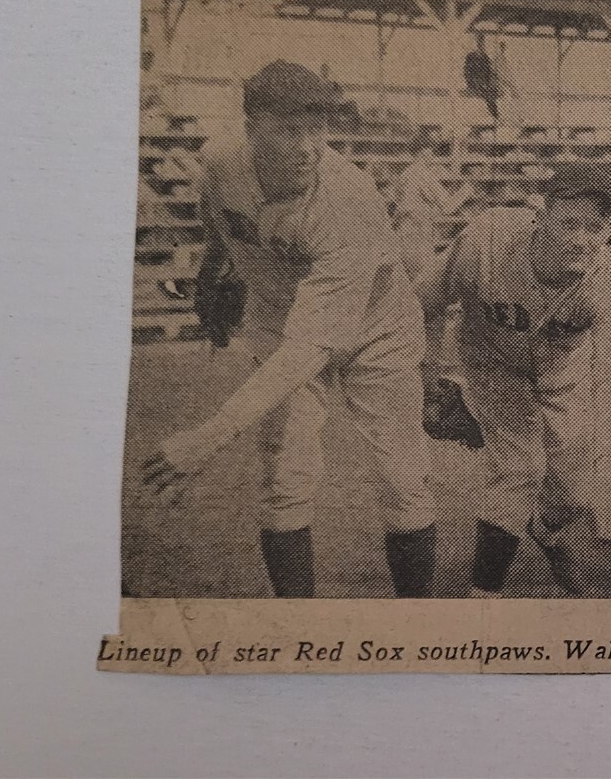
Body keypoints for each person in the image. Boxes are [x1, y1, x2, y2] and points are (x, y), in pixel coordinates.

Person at [140, 60, 438, 597]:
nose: (307, 147)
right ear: (252, 128)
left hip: (378, 331)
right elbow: (219, 219)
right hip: (282, 317)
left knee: (401, 476)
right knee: (284, 479)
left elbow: (309, 348)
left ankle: (418, 620)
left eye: (316, 130)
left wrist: (208, 438)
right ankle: (300, 624)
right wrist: (216, 269)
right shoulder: (220, 162)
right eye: (288, 130)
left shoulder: (347, 199)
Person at [418, 164, 611, 597]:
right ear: (541, 216)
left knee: (576, 495)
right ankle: (483, 599)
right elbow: (425, 300)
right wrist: (428, 377)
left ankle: (544, 531)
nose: (580, 240)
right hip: (492, 363)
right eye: (569, 224)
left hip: (563, 371)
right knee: (519, 471)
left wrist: (609, 474)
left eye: (594, 228)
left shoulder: (610, 288)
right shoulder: (488, 241)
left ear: (608, 230)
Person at [392, 127, 474, 291]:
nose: (433, 155)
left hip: (402, 235)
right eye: (432, 151)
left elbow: (398, 205)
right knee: (423, 286)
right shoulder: (425, 175)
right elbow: (448, 207)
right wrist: (467, 191)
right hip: (419, 237)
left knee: (405, 286)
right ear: (425, 152)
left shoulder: (405, 174)